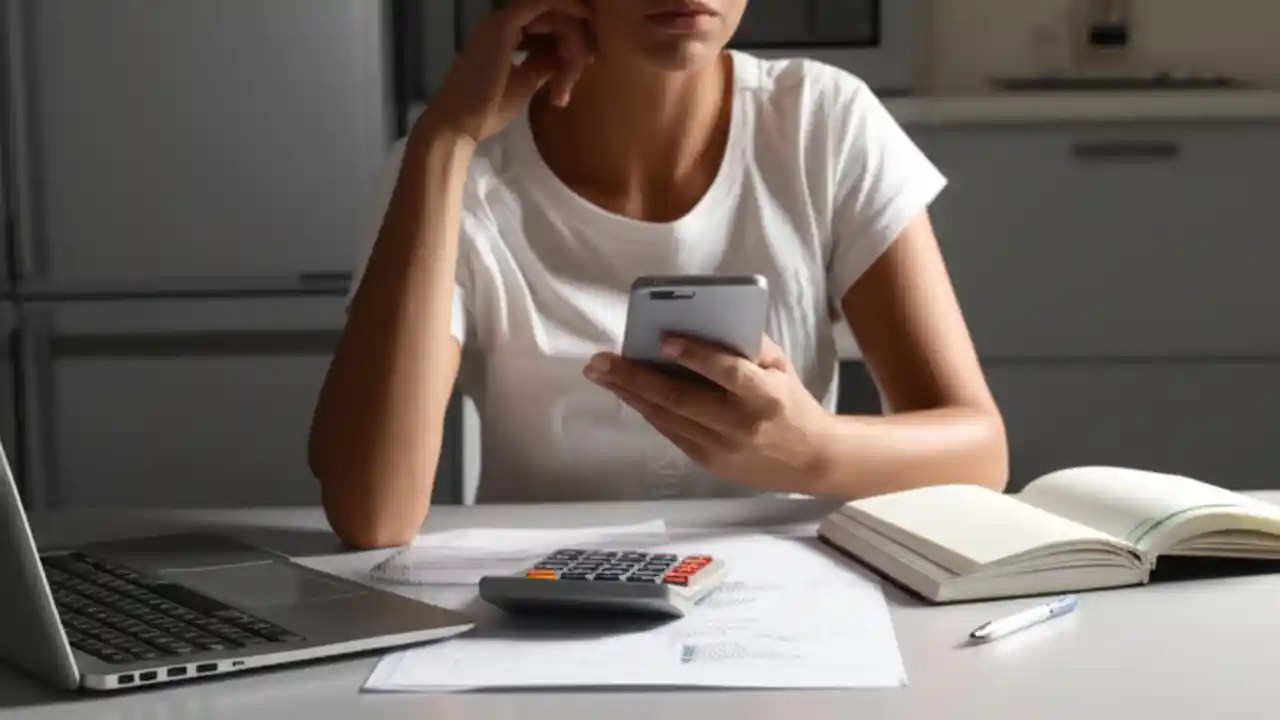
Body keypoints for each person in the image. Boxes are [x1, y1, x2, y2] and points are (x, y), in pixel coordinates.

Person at [309, 0, 1008, 549]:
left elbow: (981, 452)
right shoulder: (456, 168)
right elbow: (373, 517)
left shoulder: (821, 120)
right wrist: (444, 140)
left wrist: (812, 451)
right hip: (537, 616)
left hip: (787, 613)